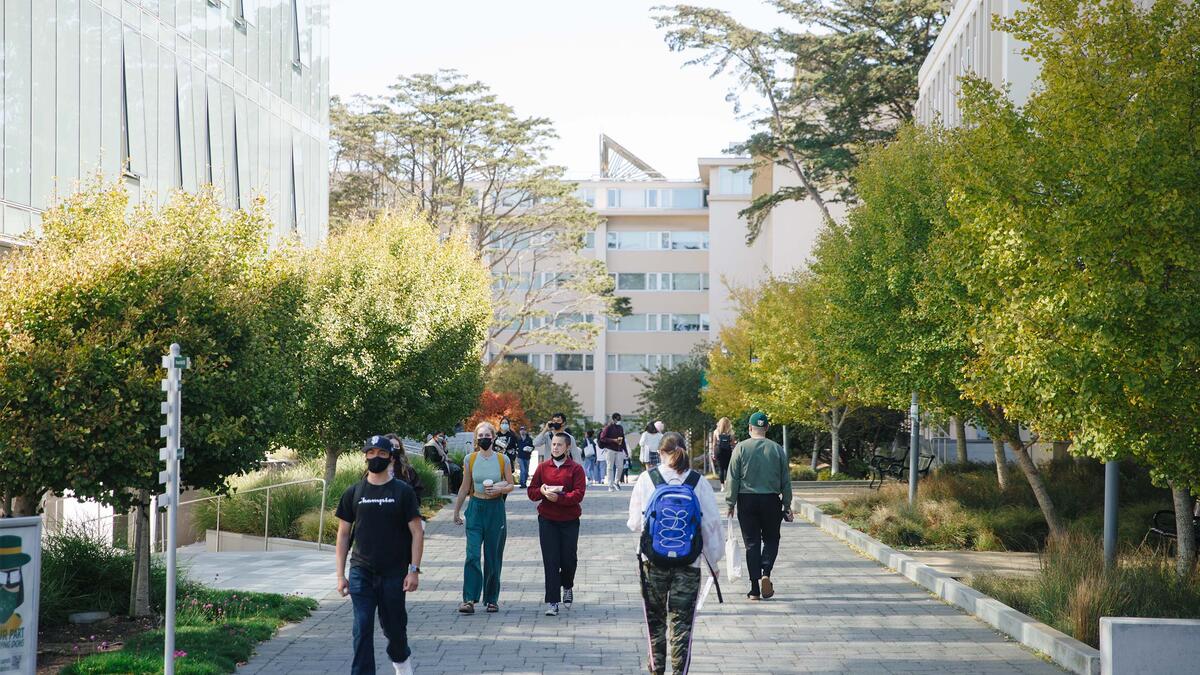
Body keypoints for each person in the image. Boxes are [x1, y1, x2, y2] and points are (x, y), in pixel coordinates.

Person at [627, 432, 723, 675]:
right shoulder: (698, 482)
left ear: (660, 453)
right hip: (689, 563)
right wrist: (714, 561)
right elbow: (710, 525)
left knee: (655, 623)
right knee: (682, 624)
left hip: (652, 561)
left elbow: (634, 523)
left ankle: (656, 670)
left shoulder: (647, 479)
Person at [335, 435, 424, 675]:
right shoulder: (354, 492)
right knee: (362, 627)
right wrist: (340, 575)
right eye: (371, 453)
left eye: (382, 453)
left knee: (394, 628)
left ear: (391, 458)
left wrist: (414, 570)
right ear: (365, 456)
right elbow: (343, 534)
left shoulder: (403, 492)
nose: (376, 457)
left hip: (394, 572)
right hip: (361, 570)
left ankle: (402, 664)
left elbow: (417, 532)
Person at [725, 412, 794, 601]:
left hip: (746, 500)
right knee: (772, 539)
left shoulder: (740, 448)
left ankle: (754, 589)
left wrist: (730, 503)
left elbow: (733, 478)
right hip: (771, 500)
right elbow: (785, 480)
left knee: (752, 543)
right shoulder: (777, 449)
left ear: (749, 428)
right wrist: (787, 504)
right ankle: (766, 572)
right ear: (767, 428)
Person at [452, 421, 515, 614]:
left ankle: (491, 599)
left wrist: (499, 489)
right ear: (476, 439)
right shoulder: (470, 459)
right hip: (475, 508)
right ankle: (469, 599)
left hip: (495, 509)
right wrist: (456, 511)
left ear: (493, 438)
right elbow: (464, 487)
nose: (484, 438)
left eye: (488, 435)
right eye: (480, 436)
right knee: (472, 554)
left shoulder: (503, 459)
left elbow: (511, 484)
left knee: (493, 556)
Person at [527, 431, 588, 616]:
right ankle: (552, 601)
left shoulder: (576, 469)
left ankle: (567, 585)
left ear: (568, 447)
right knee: (551, 560)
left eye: (559, 444)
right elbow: (532, 492)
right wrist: (542, 492)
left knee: (569, 559)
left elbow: (578, 494)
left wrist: (559, 498)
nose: (555, 447)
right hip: (547, 520)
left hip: (569, 520)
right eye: (553, 444)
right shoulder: (543, 467)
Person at [600, 412, 627, 491]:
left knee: (620, 467)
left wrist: (625, 451)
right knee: (610, 467)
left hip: (619, 449)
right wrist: (613, 440)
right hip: (609, 449)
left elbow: (623, 440)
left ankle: (616, 482)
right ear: (613, 419)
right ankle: (610, 485)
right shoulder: (608, 427)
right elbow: (602, 438)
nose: (619, 421)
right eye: (618, 419)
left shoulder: (620, 427)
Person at [711, 418, 736, 487]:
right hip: (728, 450)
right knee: (727, 468)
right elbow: (733, 444)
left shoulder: (716, 431)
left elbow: (714, 443)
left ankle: (722, 486)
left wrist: (713, 453)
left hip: (718, 450)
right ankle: (727, 483)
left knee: (720, 468)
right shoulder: (731, 432)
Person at [495, 416, 521, 481]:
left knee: (507, 478)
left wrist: (514, 456)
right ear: (500, 424)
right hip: (498, 459)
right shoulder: (496, 435)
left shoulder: (512, 435)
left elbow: (516, 446)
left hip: (509, 459)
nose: (504, 424)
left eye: (506, 423)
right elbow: (492, 446)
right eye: (503, 423)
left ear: (509, 425)